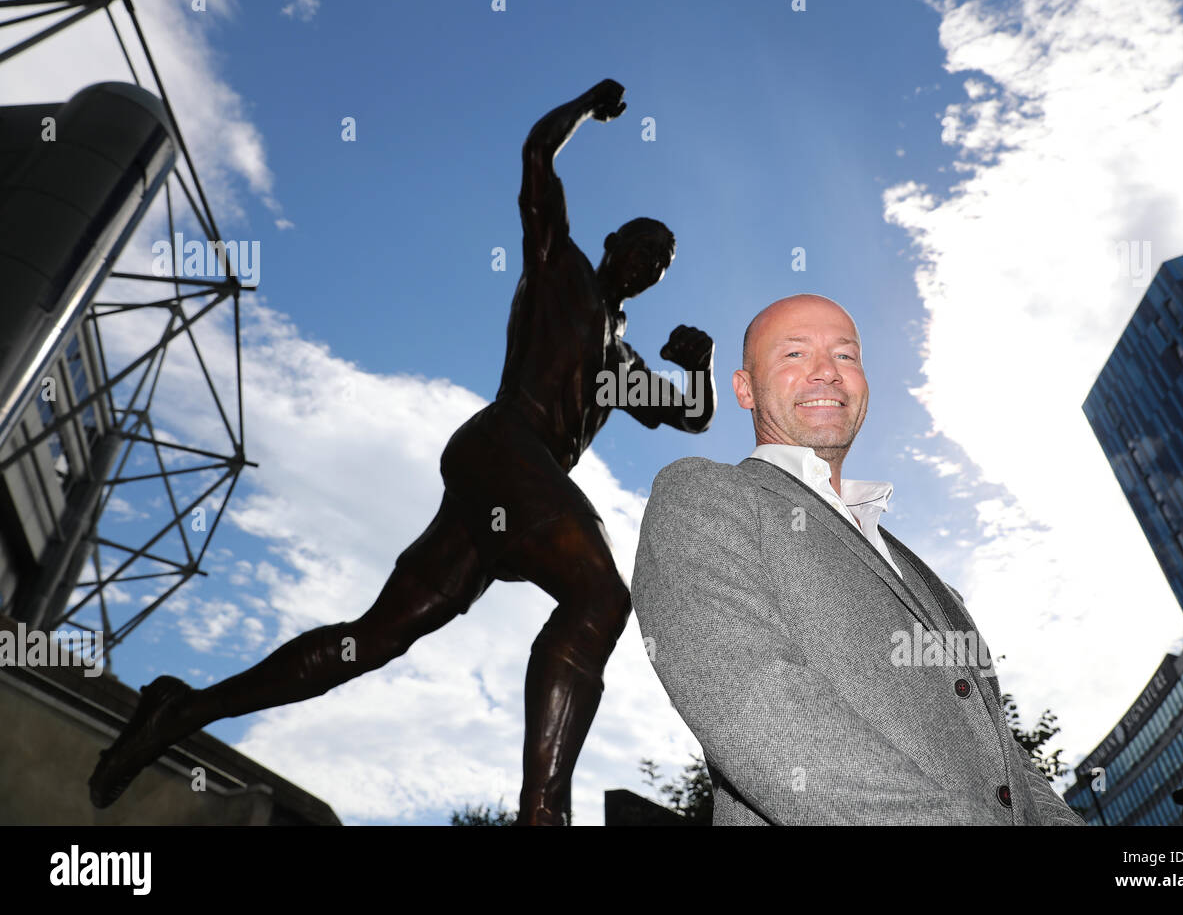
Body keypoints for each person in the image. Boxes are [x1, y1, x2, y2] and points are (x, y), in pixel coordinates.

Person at [89, 79, 717, 825]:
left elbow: (692, 420)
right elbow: (537, 153)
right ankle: (542, 812)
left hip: (507, 500)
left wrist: (701, 365)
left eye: (663, 262)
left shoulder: (620, 364)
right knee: (601, 595)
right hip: (504, 450)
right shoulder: (560, 267)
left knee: (374, 640)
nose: (650, 262)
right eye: (644, 245)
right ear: (614, 242)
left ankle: (180, 711)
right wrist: (586, 103)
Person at [630, 293, 1083, 824]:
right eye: (794, 355)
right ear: (745, 389)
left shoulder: (926, 577)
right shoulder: (704, 493)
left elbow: (1007, 759)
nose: (826, 372)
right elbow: (756, 706)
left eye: (845, 356)